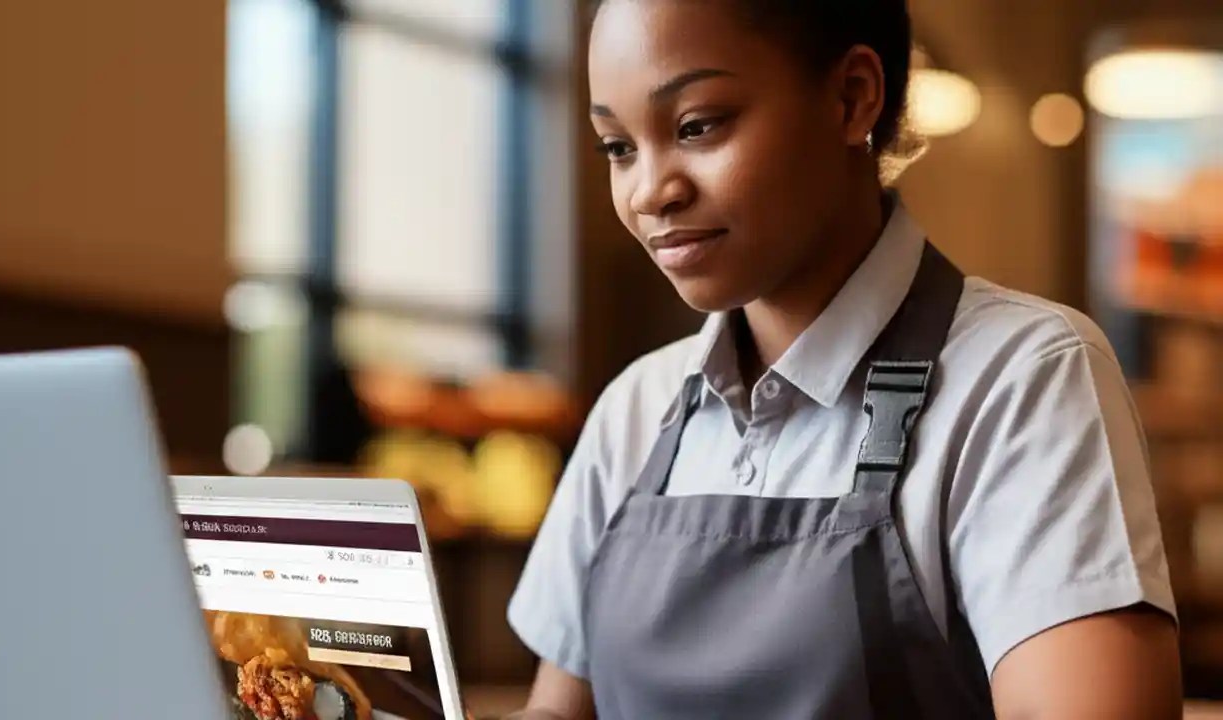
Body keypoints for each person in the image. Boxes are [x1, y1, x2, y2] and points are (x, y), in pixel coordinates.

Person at [503, 0, 1182, 717]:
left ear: (853, 97)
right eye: (618, 147)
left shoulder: (1021, 378)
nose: (649, 192)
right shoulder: (636, 410)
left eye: (697, 126)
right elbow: (559, 711)